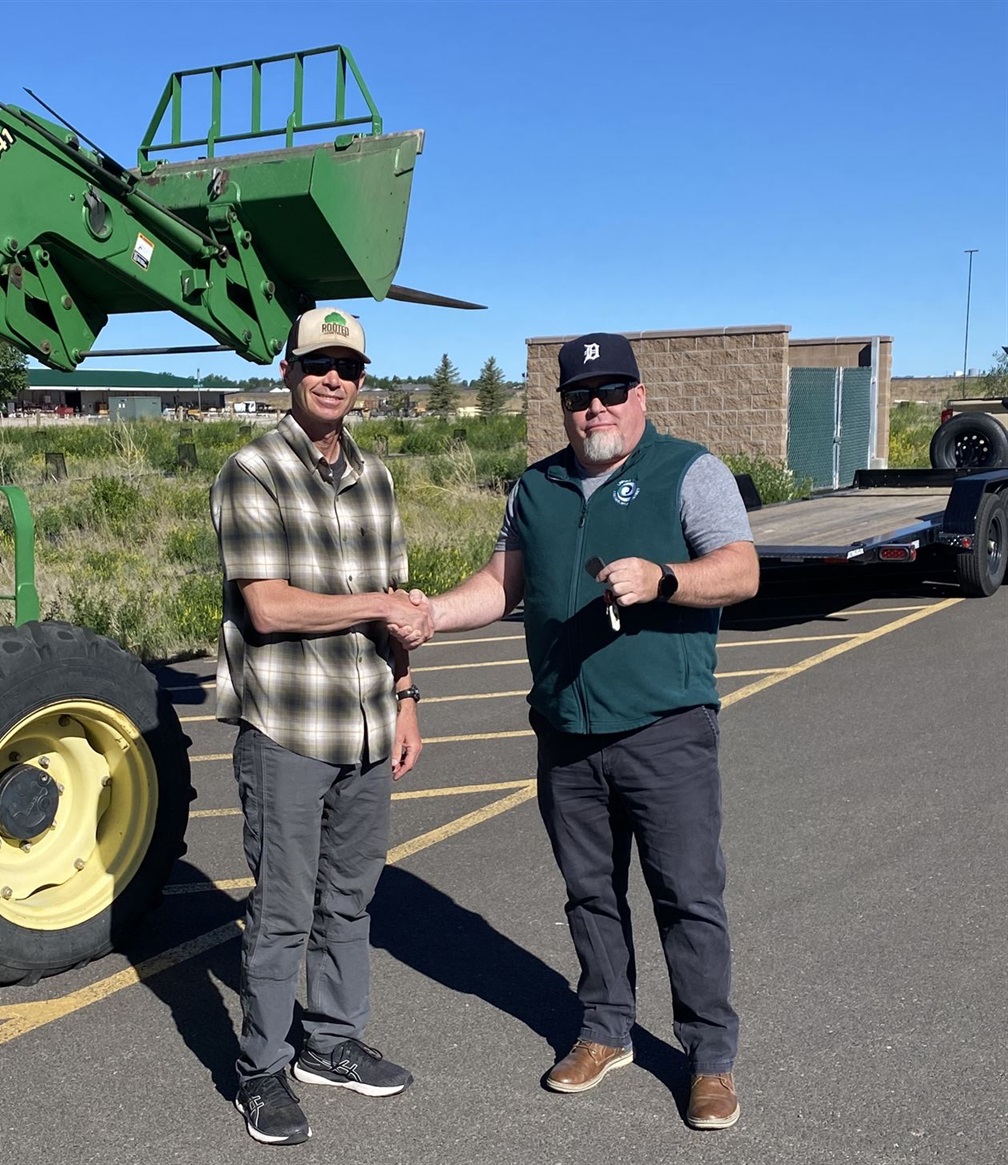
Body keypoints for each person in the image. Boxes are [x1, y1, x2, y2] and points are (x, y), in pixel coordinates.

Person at [409, 332, 758, 1131]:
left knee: (687, 896)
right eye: (578, 396)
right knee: (590, 893)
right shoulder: (537, 486)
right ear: (562, 407)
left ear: (639, 395)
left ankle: (710, 1057)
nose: (593, 407)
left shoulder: (689, 471)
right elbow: (502, 585)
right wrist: (432, 613)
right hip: (566, 731)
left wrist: (665, 578)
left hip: (665, 729)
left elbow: (742, 570)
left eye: (609, 391)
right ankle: (605, 1028)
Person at [211, 306, 434, 1146]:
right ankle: (261, 1069)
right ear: (289, 371)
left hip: (370, 725)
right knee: (280, 909)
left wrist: (408, 696)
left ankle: (332, 1044)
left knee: (350, 899)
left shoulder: (374, 478)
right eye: (318, 364)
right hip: (288, 729)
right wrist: (379, 602)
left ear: (362, 381)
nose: (333, 377)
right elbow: (267, 608)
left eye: (348, 366)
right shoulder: (253, 470)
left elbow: (400, 607)